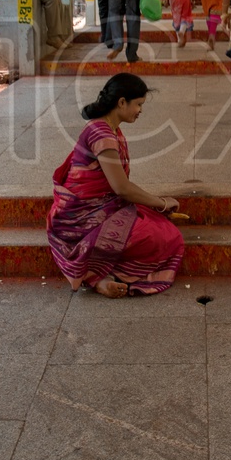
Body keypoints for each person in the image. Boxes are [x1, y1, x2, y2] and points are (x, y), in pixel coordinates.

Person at [46, 73, 183, 297]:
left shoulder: (107, 129)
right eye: (138, 104)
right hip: (80, 219)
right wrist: (161, 203)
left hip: (100, 207)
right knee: (165, 237)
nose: (140, 110)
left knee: (157, 224)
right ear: (121, 102)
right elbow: (122, 188)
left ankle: (101, 277)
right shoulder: (103, 135)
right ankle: (95, 274)